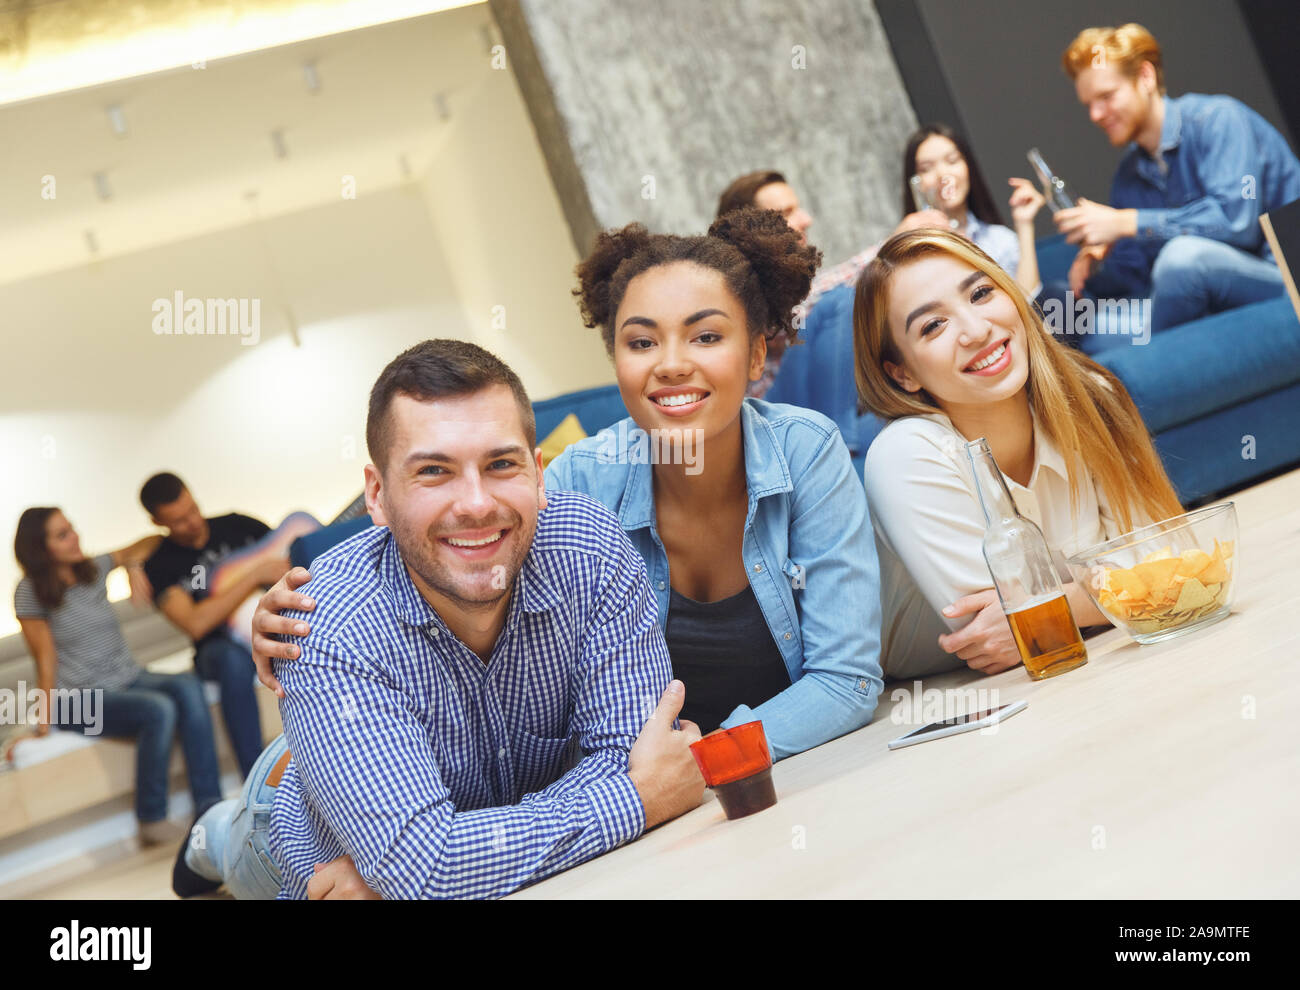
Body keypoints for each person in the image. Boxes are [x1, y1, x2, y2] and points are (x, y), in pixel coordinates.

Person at [252, 208, 885, 763]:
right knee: (279, 799)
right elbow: (460, 550)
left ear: (754, 356)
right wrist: (305, 605)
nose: (670, 363)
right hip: (611, 777)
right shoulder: (580, 479)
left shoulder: (805, 451)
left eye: (707, 335)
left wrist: (713, 755)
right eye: (641, 341)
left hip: (696, 776)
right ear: (616, 361)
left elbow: (845, 680)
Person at [188, 339, 703, 899]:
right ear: (378, 496)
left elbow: (632, 757)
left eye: (500, 464)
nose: (477, 504)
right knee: (230, 843)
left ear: (537, 473)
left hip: (432, 795)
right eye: (435, 471)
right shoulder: (324, 623)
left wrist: (435, 862)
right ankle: (208, 837)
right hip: (296, 827)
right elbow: (426, 868)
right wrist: (633, 801)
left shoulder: (590, 549)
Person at [853, 228, 1184, 678]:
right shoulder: (903, 456)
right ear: (903, 373)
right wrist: (1123, 589)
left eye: (982, 293)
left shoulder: (1093, 397)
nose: (976, 329)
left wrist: (1064, 605)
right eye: (933, 325)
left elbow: (1174, 567)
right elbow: (1009, 636)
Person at [1057, 22, 1300, 339]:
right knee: (1068, 317)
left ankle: (1149, 354)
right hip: (1192, 297)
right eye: (1089, 104)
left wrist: (1127, 223)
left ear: (1145, 76)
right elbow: (1136, 280)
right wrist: (1096, 261)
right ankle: (1141, 352)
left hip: (1279, 275)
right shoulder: (1128, 175)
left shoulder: (1218, 120)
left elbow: (1237, 222)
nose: (1096, 115)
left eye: (1106, 96)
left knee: (1181, 258)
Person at [12, 507, 222, 843]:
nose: (75, 536)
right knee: (158, 709)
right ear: (41, 547)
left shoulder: (92, 569)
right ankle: (151, 818)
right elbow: (45, 659)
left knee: (187, 685)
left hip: (126, 677)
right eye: (62, 534)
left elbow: (153, 540)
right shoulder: (30, 591)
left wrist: (132, 564)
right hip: (76, 701)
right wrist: (43, 724)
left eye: (72, 528)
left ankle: (210, 808)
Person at [138, 473, 281, 778]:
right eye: (178, 520)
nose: (192, 522)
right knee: (231, 659)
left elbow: (288, 560)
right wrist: (253, 576)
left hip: (273, 623)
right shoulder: (161, 565)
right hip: (216, 649)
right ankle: (257, 780)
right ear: (157, 522)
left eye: (192, 509)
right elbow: (196, 623)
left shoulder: (238, 526)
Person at [895, 123, 1046, 295]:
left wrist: (1024, 224)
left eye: (952, 161)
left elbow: (1028, 305)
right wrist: (898, 242)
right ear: (915, 184)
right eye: (926, 168)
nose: (943, 175)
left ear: (968, 168)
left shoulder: (998, 240)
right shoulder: (905, 252)